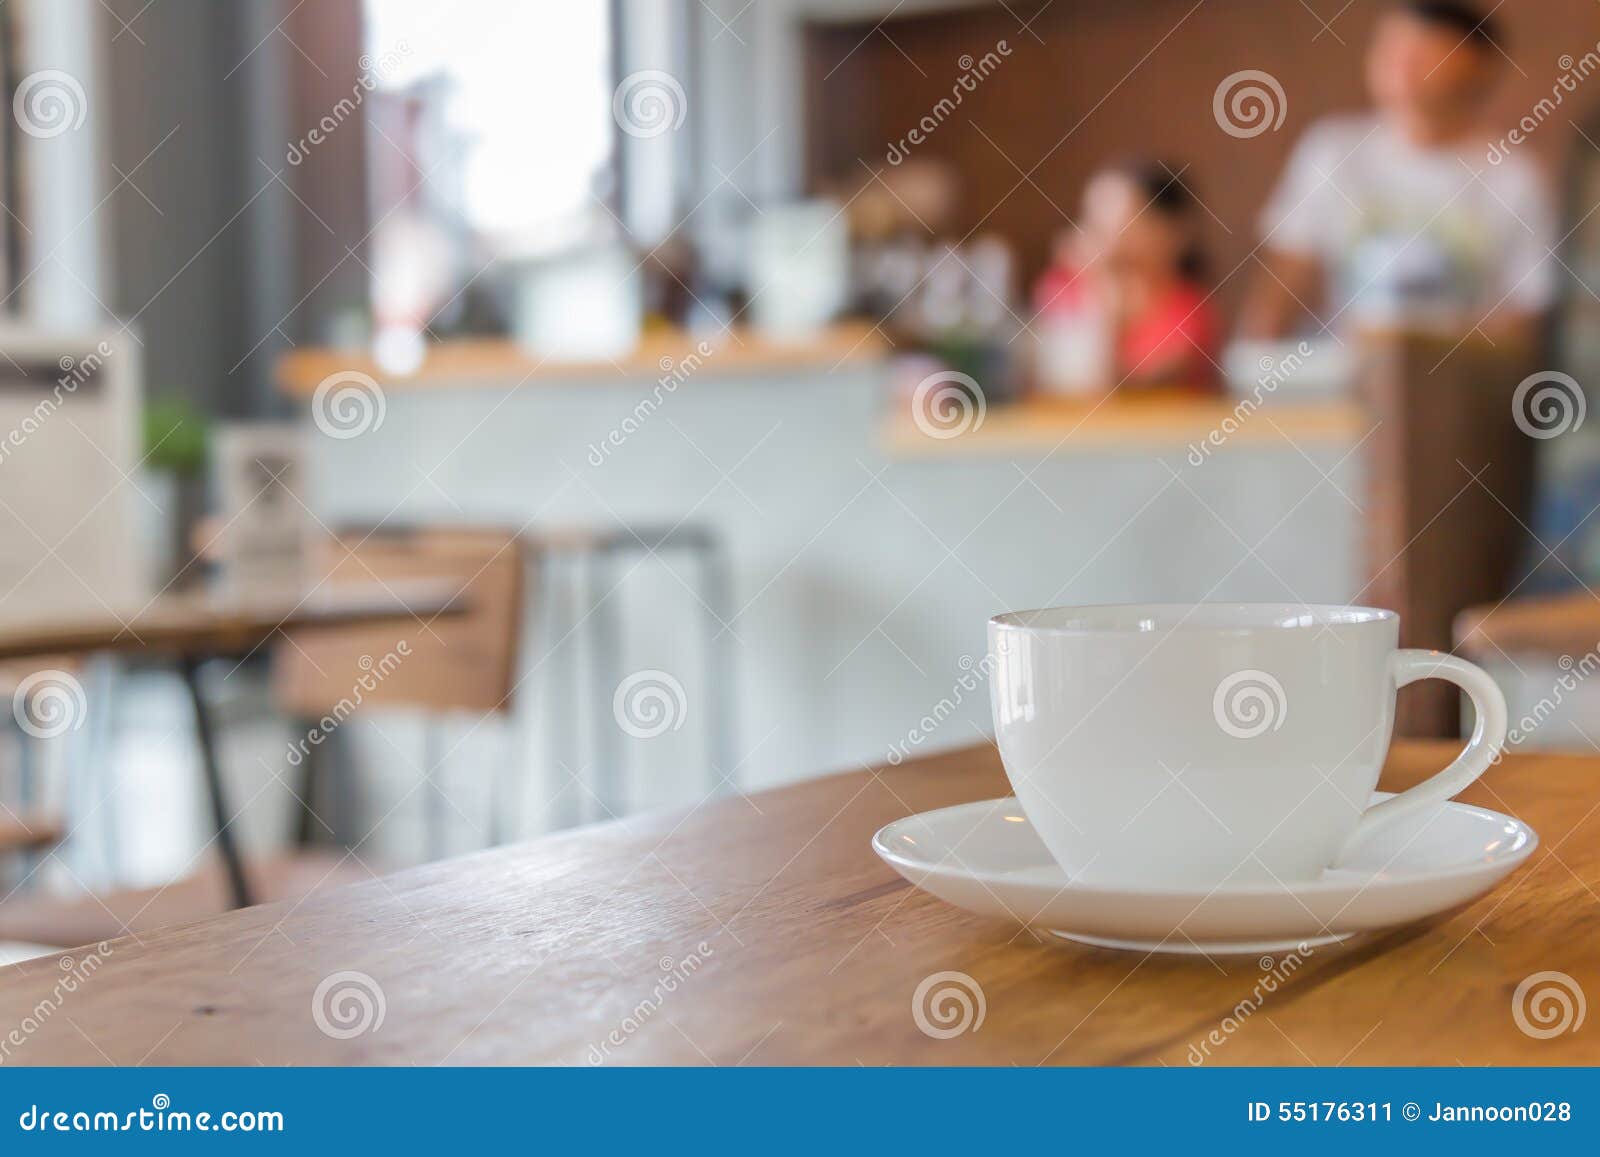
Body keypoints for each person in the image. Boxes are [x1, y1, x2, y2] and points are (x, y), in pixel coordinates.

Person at [1240, 1, 1555, 343]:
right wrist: (1255, 363)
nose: (1398, 65)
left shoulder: (1515, 176)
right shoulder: (1332, 148)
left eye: (1421, 52)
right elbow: (1284, 282)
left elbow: (1530, 310)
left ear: (1476, 67)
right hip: (1344, 371)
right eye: (1389, 47)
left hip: (1463, 373)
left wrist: (1440, 357)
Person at [1032, 160, 1221, 394]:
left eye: (1121, 220)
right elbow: (1052, 380)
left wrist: (1108, 314)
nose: (1103, 236)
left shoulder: (1189, 311)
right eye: (1093, 220)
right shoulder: (1062, 288)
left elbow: (1119, 390)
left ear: (1173, 231)